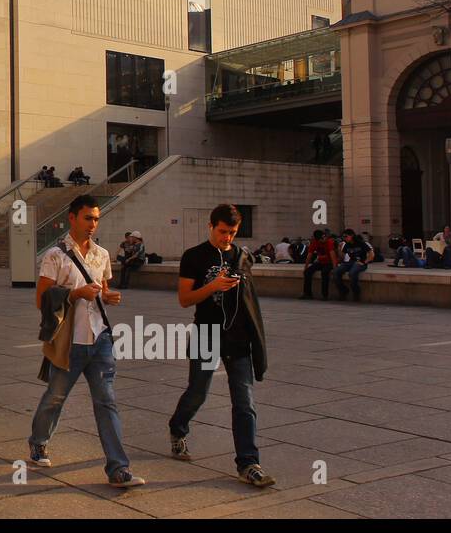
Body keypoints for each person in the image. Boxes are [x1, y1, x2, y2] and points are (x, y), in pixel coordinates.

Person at [28, 194, 144, 486]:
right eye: (88, 218)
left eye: (96, 219)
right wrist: (74, 294)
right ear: (72, 218)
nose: (93, 224)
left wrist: (108, 296)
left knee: (107, 402)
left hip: (100, 337)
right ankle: (38, 441)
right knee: (55, 396)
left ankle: (118, 469)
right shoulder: (55, 255)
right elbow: (40, 299)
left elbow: (102, 289)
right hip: (70, 341)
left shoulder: (101, 254)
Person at [168, 203, 275, 488]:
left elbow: (250, 300)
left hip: (237, 337)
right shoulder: (194, 256)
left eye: (233, 232)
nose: (227, 237)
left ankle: (248, 463)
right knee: (198, 392)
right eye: (223, 231)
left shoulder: (242, 257)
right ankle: (177, 428)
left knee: (245, 402)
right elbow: (185, 299)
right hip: (206, 334)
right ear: (211, 226)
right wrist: (213, 286)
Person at [333, 229, 374, 301]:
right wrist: (339, 248)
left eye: (346, 236)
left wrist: (364, 262)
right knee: (336, 272)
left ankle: (356, 292)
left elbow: (372, 254)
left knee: (352, 273)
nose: (344, 238)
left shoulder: (361, 243)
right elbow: (342, 257)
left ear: (352, 235)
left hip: (360, 263)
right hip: (350, 262)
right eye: (343, 237)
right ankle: (343, 290)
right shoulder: (347, 244)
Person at [300, 229, 337, 299]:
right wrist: (306, 267)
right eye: (322, 238)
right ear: (318, 239)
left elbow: (333, 256)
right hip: (320, 262)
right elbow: (309, 255)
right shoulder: (314, 243)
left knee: (324, 272)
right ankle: (308, 293)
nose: (324, 239)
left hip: (329, 263)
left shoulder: (329, 242)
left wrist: (335, 268)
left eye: (324, 237)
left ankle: (325, 295)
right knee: (307, 272)